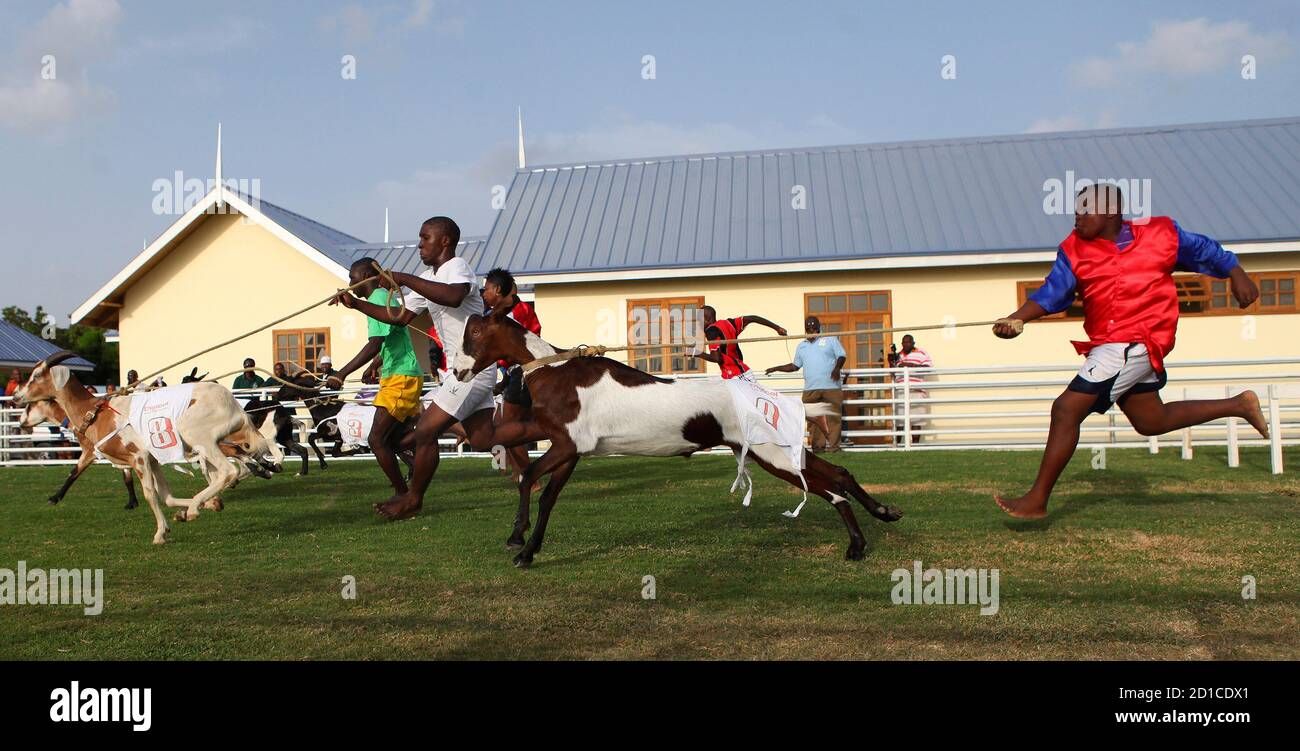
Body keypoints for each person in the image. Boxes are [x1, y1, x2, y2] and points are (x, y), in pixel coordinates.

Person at [993, 183, 1269, 519]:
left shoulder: (1161, 234)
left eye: (1084, 210)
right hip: (1111, 343)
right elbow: (1054, 292)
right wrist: (1017, 320)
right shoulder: (1073, 248)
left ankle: (1036, 500)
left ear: (1110, 212)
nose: (1076, 218)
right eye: (1075, 210)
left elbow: (1207, 251)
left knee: (1066, 410)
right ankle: (1238, 404)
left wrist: (1236, 272)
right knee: (1151, 421)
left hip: (1136, 341)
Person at [332, 216, 509, 520]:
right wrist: (356, 304)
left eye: (425, 238)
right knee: (483, 439)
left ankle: (412, 498)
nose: (419, 245)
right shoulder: (427, 277)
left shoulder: (457, 268)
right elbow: (399, 316)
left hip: (471, 367)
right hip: (467, 369)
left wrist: (404, 278)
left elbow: (453, 296)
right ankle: (548, 430)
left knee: (425, 430)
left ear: (445, 241)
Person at [328, 257, 425, 498]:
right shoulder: (379, 299)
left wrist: (341, 374)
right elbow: (391, 341)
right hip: (398, 375)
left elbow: (375, 343)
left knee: (377, 439)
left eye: (352, 277)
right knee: (391, 439)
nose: (349, 282)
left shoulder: (377, 299)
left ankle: (403, 494)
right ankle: (419, 464)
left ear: (364, 277)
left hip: (401, 377)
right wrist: (375, 366)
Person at [482, 267, 540, 484]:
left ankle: (529, 478)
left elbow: (516, 348)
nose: (483, 293)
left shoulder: (513, 312)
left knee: (508, 429)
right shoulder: (504, 312)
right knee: (508, 425)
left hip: (522, 372)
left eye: (486, 289)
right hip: (514, 373)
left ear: (498, 290)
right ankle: (516, 471)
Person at [764, 316, 846, 452]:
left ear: (819, 328)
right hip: (810, 389)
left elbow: (842, 356)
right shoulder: (802, 346)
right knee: (813, 420)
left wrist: (837, 369)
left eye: (814, 327)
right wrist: (776, 368)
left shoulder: (830, 340)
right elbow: (795, 366)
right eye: (808, 328)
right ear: (805, 329)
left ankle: (834, 448)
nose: (811, 329)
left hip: (831, 387)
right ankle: (818, 447)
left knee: (834, 418)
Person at [692, 306, 786, 379]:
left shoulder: (711, 331)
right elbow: (753, 318)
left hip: (735, 376)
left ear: (707, 319)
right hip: (742, 372)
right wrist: (777, 328)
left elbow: (717, 358)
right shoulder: (729, 323)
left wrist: (697, 353)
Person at [894, 334, 933, 444]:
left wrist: (911, 365)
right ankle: (897, 446)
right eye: (904, 342)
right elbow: (892, 373)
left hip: (917, 390)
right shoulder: (897, 355)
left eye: (908, 342)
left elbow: (928, 368)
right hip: (901, 391)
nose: (906, 344)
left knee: (917, 421)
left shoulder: (921, 353)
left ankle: (915, 446)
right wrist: (891, 363)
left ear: (913, 343)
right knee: (900, 422)